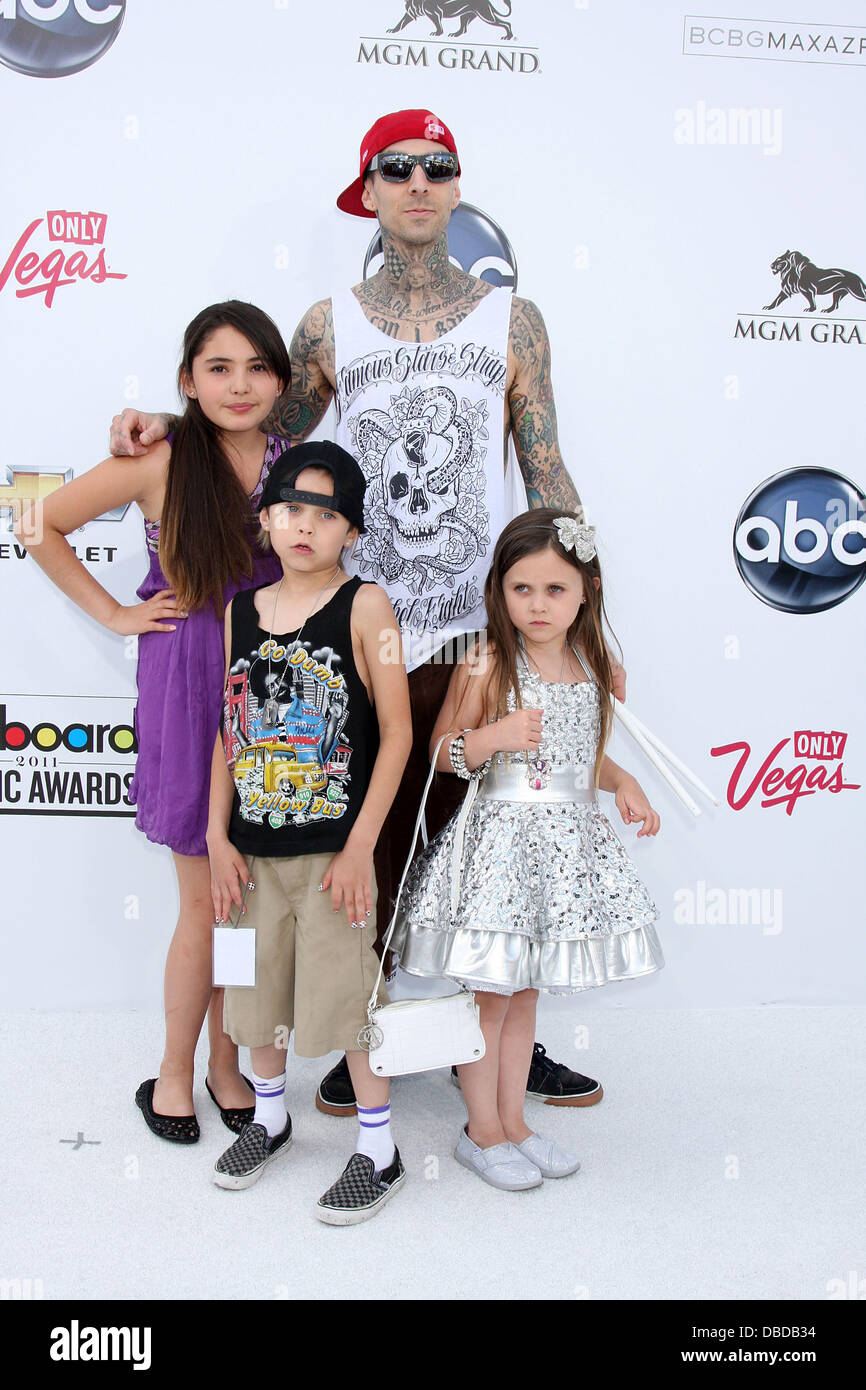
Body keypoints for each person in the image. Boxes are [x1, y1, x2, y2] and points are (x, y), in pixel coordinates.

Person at [108, 108, 620, 1113]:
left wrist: (575, 603)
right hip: (364, 625)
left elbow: (544, 465)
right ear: (368, 192)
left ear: (456, 185)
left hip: (482, 638)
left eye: (437, 167)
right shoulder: (323, 324)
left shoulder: (512, 321)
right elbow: (258, 434)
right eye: (398, 168)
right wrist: (161, 430)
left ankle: (509, 1044)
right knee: (369, 853)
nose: (419, 183)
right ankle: (361, 1050)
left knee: (503, 848)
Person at [15, 301, 292, 1143]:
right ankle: (175, 1070)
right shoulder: (161, 460)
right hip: (190, 673)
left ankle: (225, 1060)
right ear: (187, 381)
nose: (239, 385)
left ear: (283, 380)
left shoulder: (301, 460)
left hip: (276, 684)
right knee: (205, 900)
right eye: (218, 368)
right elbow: (41, 523)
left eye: (256, 368)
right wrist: (114, 614)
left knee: (250, 901)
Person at [388, 510, 664, 1189]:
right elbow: (442, 753)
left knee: (526, 995)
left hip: (564, 854)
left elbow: (582, 754)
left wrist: (623, 780)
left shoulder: (589, 664)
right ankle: (480, 1134)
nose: (538, 606)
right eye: (522, 590)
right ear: (499, 591)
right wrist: (494, 737)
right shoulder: (487, 659)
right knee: (490, 994)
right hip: (502, 847)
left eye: (554, 590)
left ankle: (513, 1124)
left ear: (586, 592)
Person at [206, 442, 411, 1222]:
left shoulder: (368, 607)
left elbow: (395, 732)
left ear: (350, 531)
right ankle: (269, 1118)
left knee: (348, 1000)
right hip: (251, 855)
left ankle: (379, 1150)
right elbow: (229, 731)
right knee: (254, 996)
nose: (305, 526)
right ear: (267, 518)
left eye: (325, 515)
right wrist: (217, 837)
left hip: (331, 854)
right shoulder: (240, 610)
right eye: (291, 508)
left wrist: (360, 846)